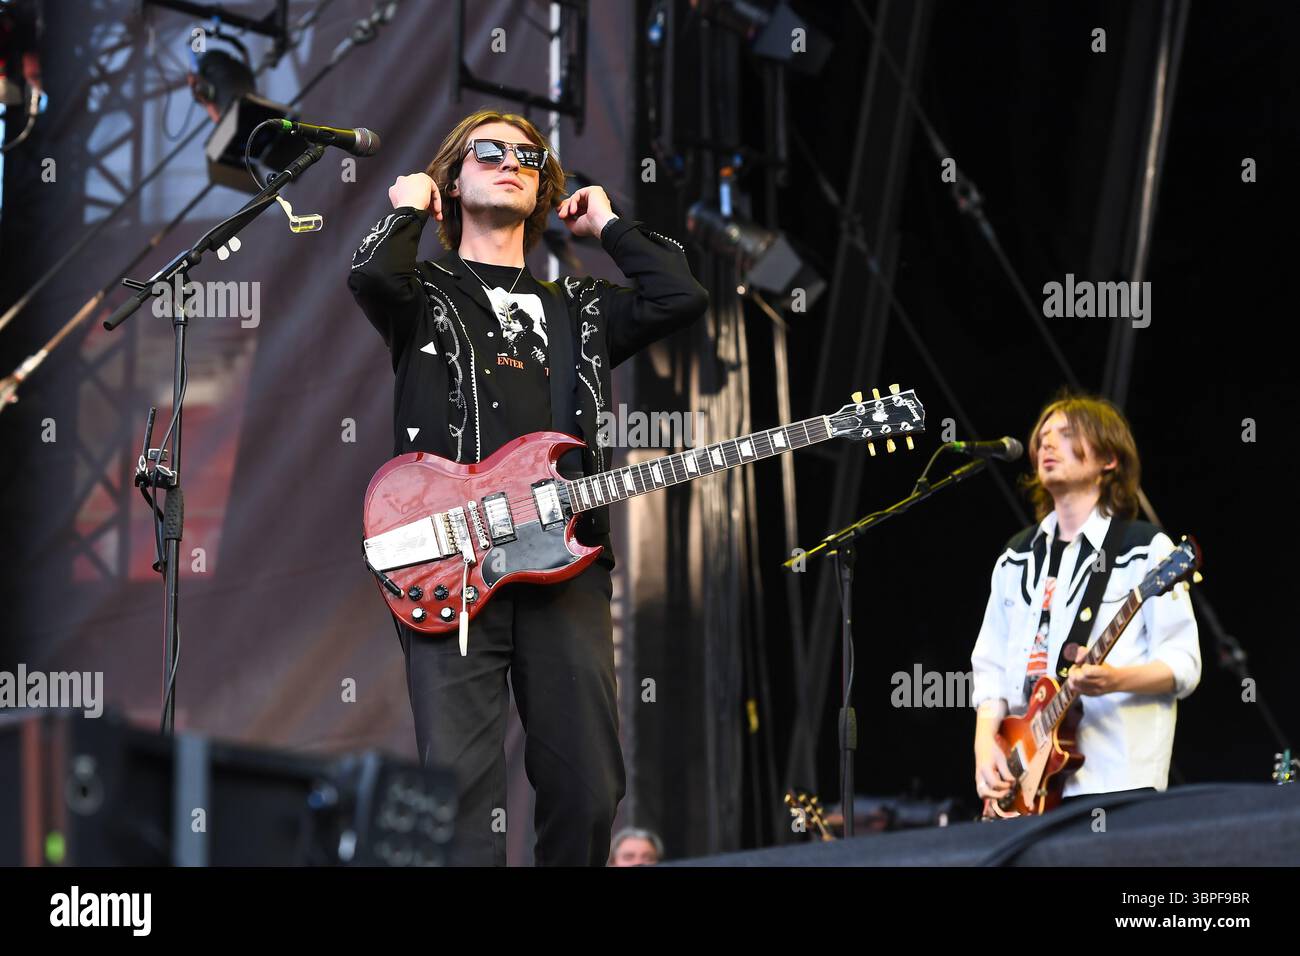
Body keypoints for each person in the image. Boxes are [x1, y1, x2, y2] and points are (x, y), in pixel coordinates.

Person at [348, 109, 708, 865]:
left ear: (544, 184)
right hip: (452, 563)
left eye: (529, 155)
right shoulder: (423, 292)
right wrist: (411, 205)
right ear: (453, 179)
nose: (511, 161)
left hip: (566, 567)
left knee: (588, 789)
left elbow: (680, 294)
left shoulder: (576, 306)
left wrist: (608, 224)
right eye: (488, 151)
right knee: (463, 796)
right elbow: (371, 273)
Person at [970, 394, 1201, 810]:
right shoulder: (1015, 558)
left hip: (1116, 780)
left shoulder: (1145, 550)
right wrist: (985, 745)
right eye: (1042, 437)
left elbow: (1184, 664)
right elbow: (990, 670)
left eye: (1066, 434)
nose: (1047, 445)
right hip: (1026, 785)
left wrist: (1116, 679)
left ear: (1108, 460)